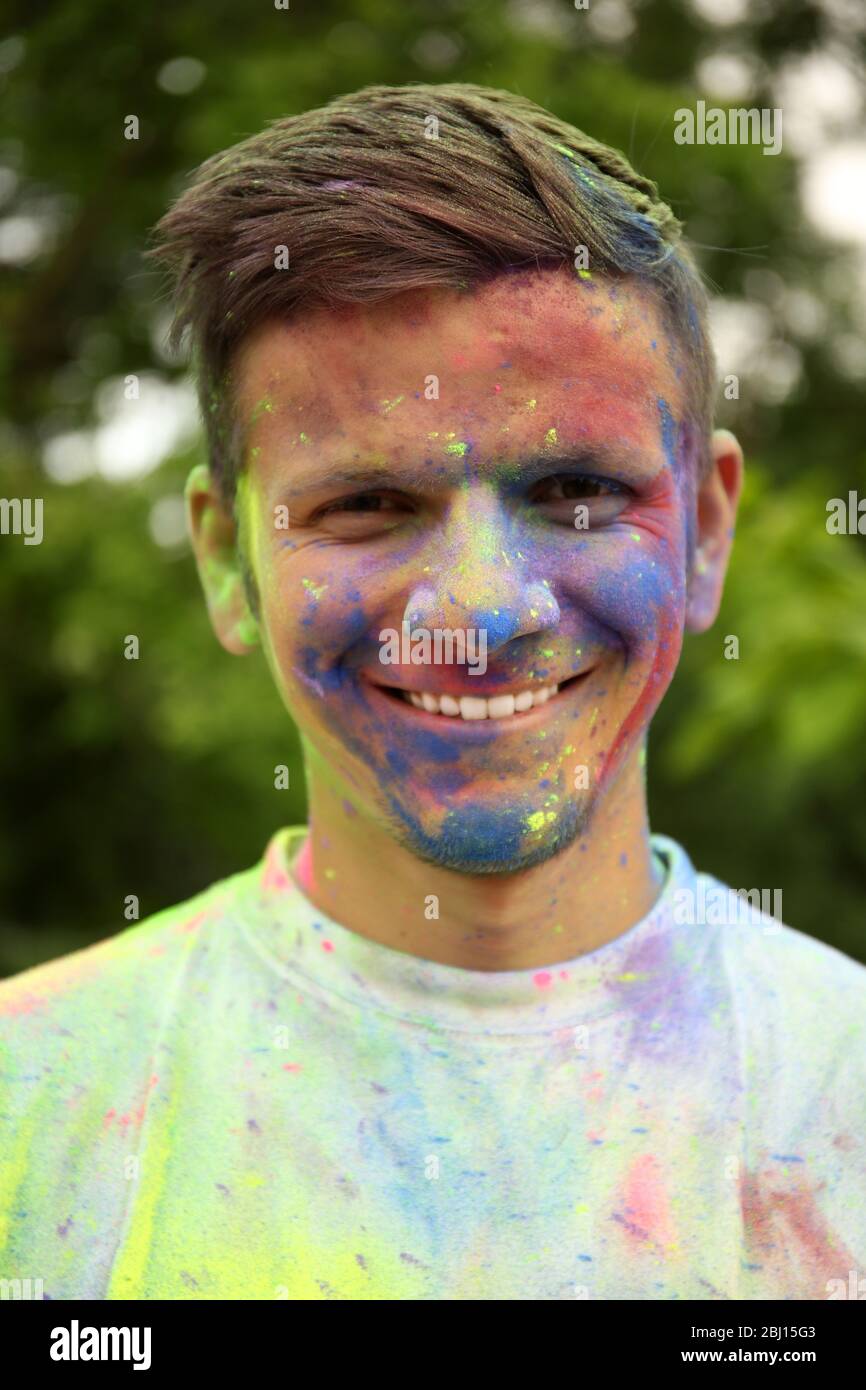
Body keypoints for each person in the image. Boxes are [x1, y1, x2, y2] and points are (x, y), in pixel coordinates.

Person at [1, 83, 864, 1302]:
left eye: (574, 492)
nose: (479, 611)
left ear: (706, 531)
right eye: (366, 505)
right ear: (224, 562)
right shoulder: (29, 1103)